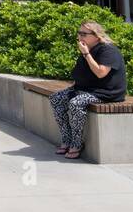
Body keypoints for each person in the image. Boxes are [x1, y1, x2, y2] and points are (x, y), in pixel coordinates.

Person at [49, 20, 127, 159]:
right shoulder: (88, 48)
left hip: (105, 93)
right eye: (79, 33)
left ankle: (77, 143)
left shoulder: (108, 50)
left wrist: (86, 54)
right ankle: (67, 139)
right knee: (56, 98)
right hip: (85, 89)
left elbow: (101, 73)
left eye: (84, 34)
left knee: (75, 103)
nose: (80, 36)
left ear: (96, 36)